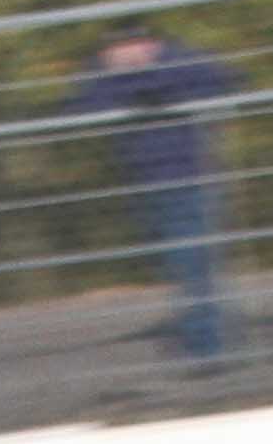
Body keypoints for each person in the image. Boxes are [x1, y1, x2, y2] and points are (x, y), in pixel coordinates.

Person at [68, 24, 243, 367]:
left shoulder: (182, 62)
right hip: (146, 182)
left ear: (151, 44)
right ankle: (208, 341)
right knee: (182, 266)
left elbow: (224, 80)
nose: (123, 55)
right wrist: (129, 82)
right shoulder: (105, 76)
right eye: (115, 50)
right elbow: (84, 106)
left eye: (131, 46)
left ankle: (207, 350)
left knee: (193, 264)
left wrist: (147, 84)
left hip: (190, 178)